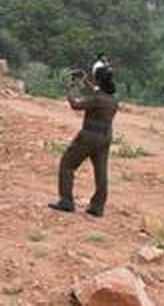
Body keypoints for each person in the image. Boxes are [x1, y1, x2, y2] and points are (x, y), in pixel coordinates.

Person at [49, 66, 118, 217]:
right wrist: (85, 80)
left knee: (67, 165)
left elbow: (76, 105)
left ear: (98, 79)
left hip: (89, 136)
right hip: (105, 137)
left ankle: (66, 201)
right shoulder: (112, 100)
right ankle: (97, 207)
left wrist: (68, 90)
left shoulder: (97, 99)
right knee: (101, 173)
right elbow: (97, 91)